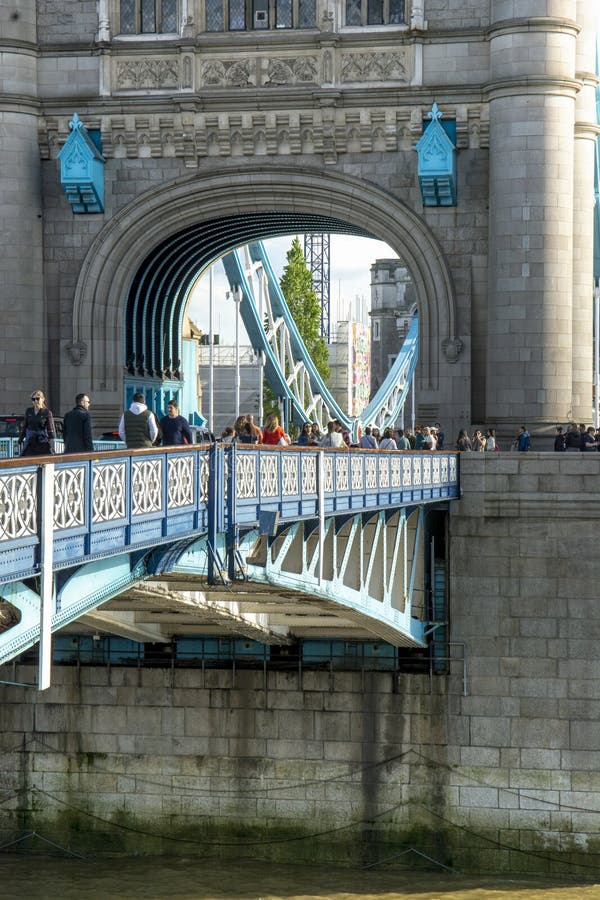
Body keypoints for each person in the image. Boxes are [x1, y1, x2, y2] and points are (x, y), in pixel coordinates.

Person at [19, 390, 56, 456]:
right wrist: (21, 438)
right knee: (23, 457)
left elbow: (51, 430)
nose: (35, 401)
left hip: (42, 442)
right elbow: (24, 426)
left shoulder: (47, 412)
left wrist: (52, 446)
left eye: (37, 399)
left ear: (43, 399)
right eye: (33, 399)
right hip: (30, 442)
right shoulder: (29, 411)